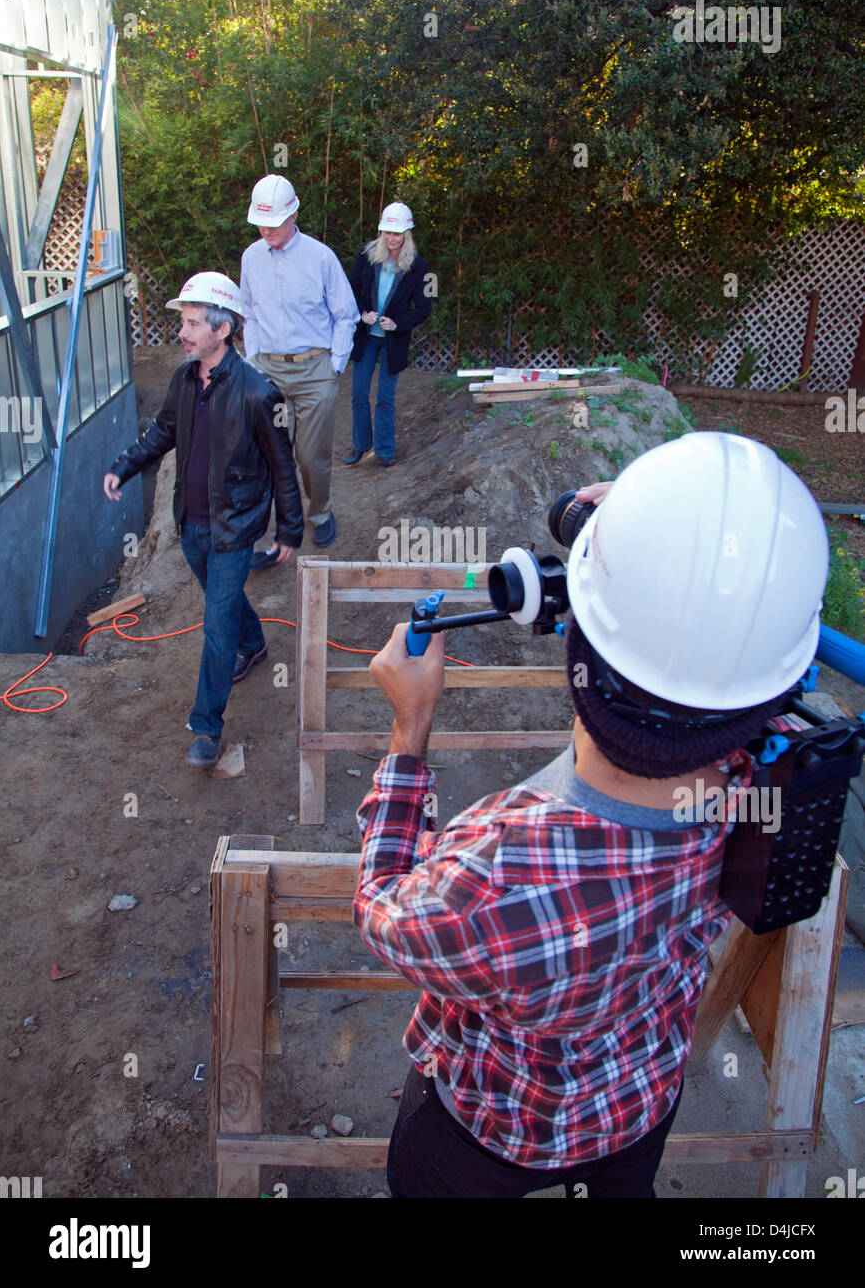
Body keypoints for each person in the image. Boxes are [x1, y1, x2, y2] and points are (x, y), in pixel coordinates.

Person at [353, 432, 829, 1197]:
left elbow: (381, 912)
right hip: (638, 1110)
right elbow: (739, 647)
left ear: (571, 631)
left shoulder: (494, 873)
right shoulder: (774, 779)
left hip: (492, 1135)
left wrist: (409, 734)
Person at [104, 272, 304, 768]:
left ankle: (207, 730)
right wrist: (124, 466)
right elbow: (163, 432)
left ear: (223, 330)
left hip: (235, 528)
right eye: (184, 323)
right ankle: (255, 643)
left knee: (216, 627)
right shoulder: (183, 380)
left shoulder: (260, 393)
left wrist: (291, 529)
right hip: (190, 524)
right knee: (225, 597)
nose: (182, 333)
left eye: (192, 324)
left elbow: (283, 465)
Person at [239, 175, 359, 551]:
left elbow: (346, 315)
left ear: (293, 215)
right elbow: (249, 313)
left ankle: (320, 512)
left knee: (310, 456)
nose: (267, 230)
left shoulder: (320, 258)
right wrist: (255, 361)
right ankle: (274, 523)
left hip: (314, 371)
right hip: (269, 371)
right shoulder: (251, 258)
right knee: (266, 452)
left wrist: (335, 366)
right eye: (261, 223)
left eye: (274, 223)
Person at [344, 202, 433, 468]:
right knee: (358, 392)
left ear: (407, 233)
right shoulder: (367, 255)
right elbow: (349, 289)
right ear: (381, 232)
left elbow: (424, 308)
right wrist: (362, 313)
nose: (392, 238)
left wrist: (398, 323)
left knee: (385, 396)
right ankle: (361, 445)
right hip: (367, 336)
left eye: (397, 233)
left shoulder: (419, 266)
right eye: (387, 233)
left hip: (393, 340)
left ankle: (384, 450)